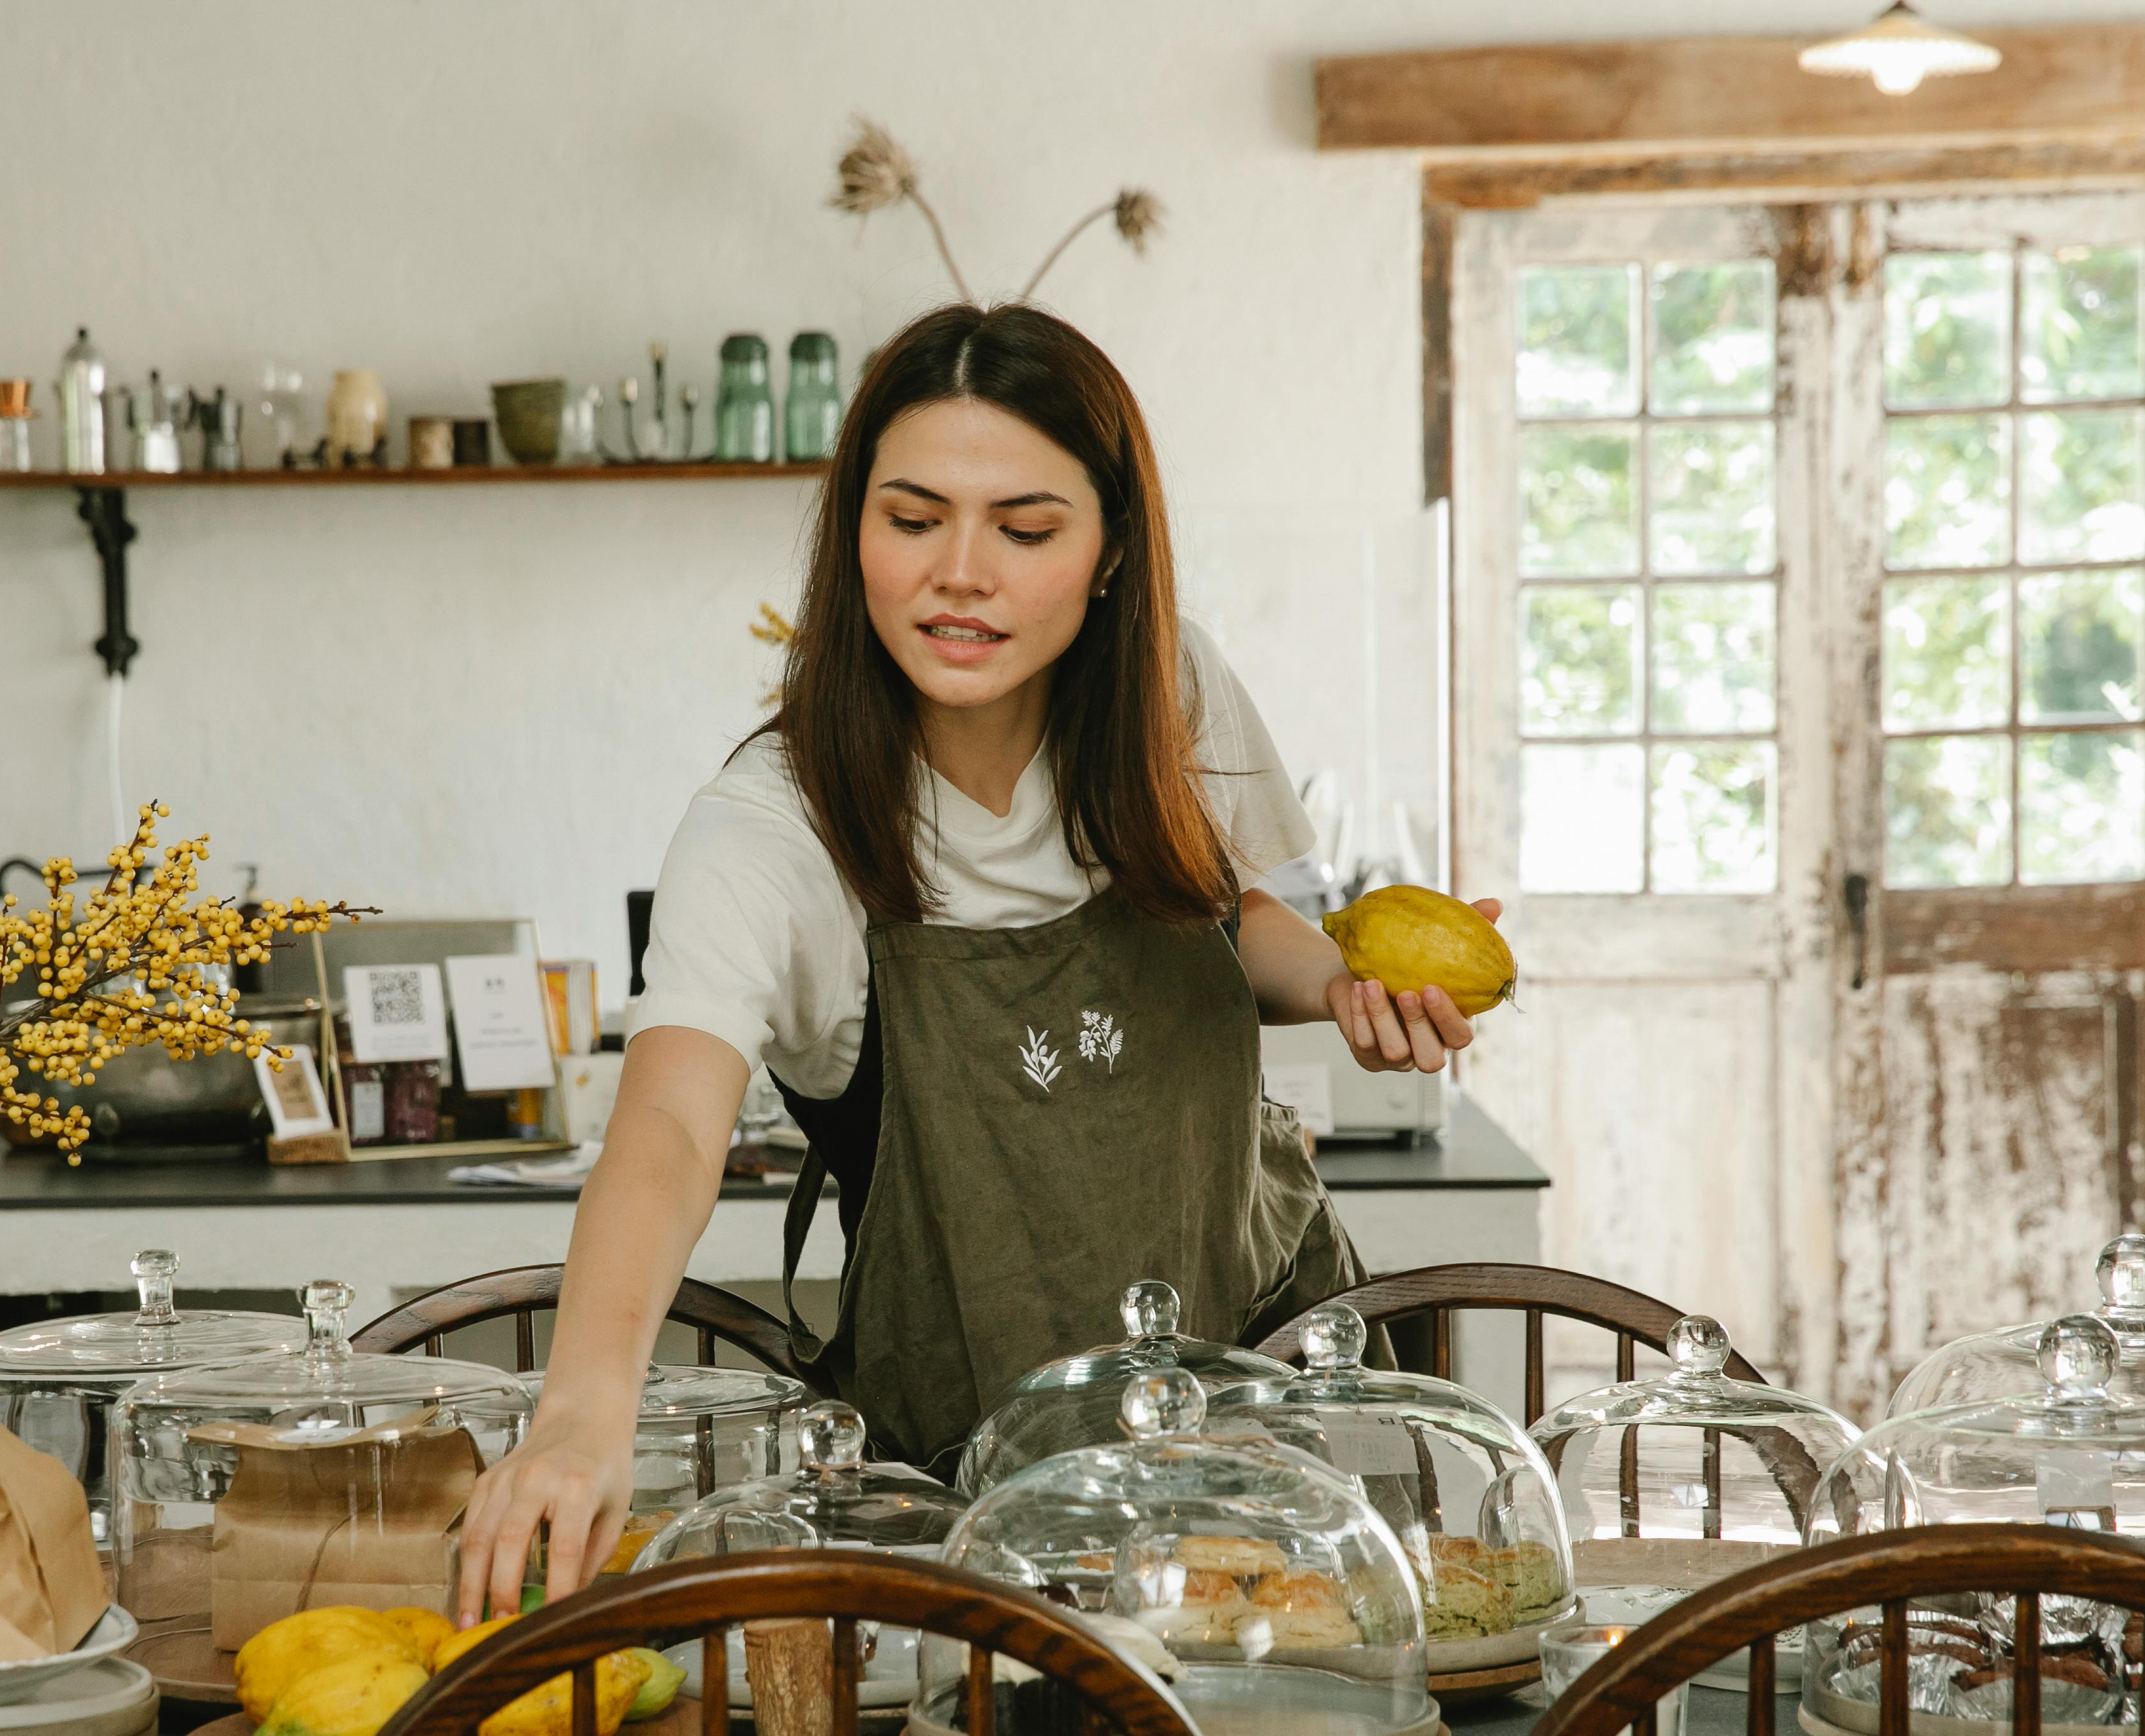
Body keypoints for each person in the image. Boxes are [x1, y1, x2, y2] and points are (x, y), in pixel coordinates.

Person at [454, 303, 1495, 1624]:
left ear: (1111, 552)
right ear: (855, 535)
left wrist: (1346, 986)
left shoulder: (1163, 693)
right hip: (969, 1518)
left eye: (1026, 529)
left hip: (1262, 1437)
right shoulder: (779, 821)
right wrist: (583, 1407)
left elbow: (1228, 925)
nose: (962, 573)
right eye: (912, 519)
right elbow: (665, 1117)